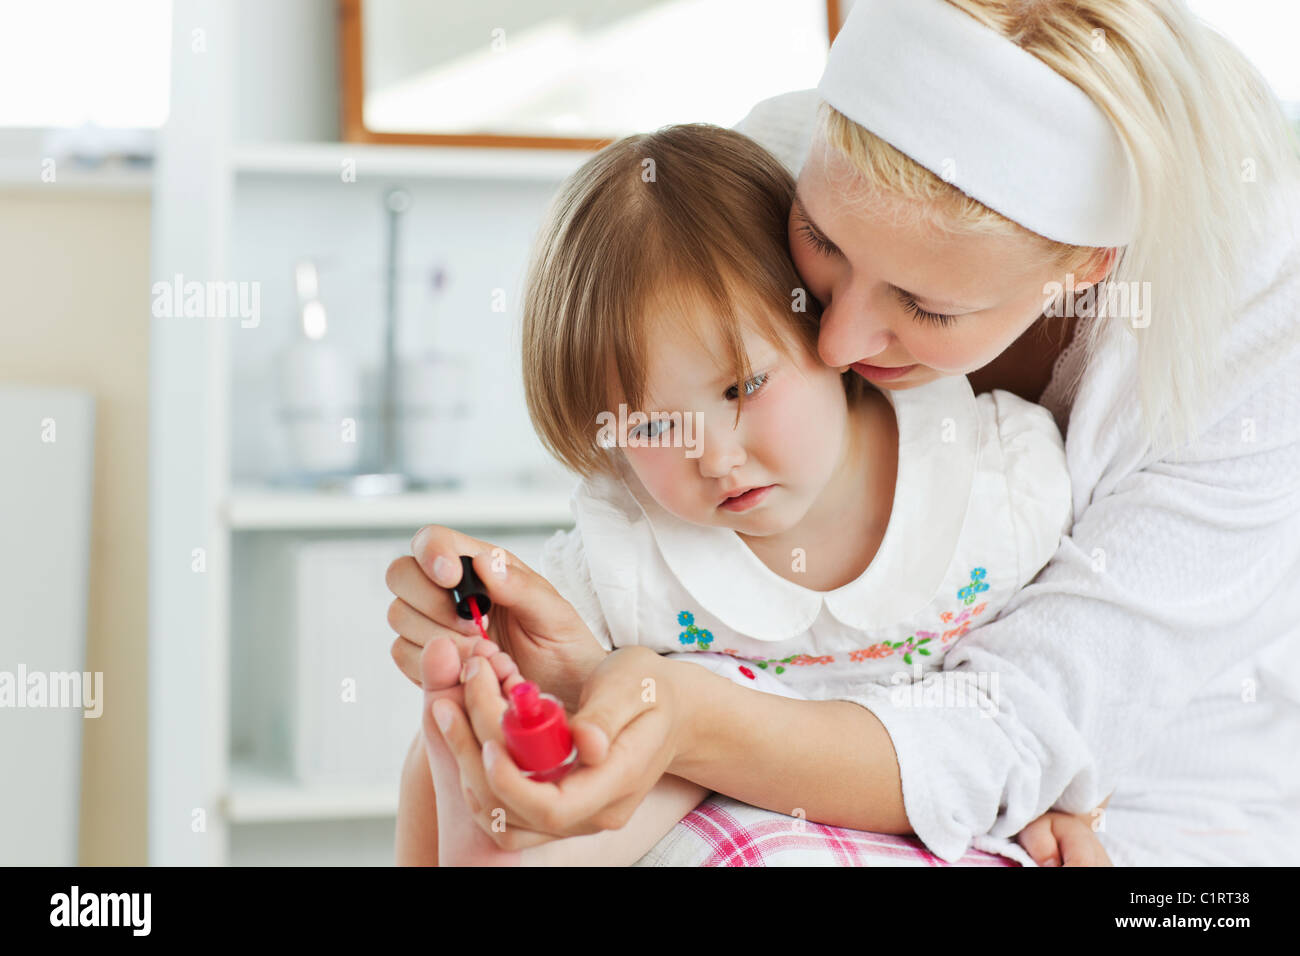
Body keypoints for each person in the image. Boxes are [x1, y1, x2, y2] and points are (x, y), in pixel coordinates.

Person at [389, 0, 1300, 866]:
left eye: (927, 306)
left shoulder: (1240, 339)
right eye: (819, 245)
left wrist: (687, 714)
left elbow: (1027, 729)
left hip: (1146, 790)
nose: (837, 342)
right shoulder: (768, 171)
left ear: (1087, 270)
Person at [390, 122, 1100, 866]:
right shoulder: (625, 557)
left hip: (926, 803)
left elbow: (1054, 690)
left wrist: (1065, 801)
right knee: (548, 733)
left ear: (828, 326)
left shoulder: (1000, 483)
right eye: (657, 428)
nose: (718, 458)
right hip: (727, 819)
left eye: (745, 387)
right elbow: (449, 753)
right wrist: (477, 668)